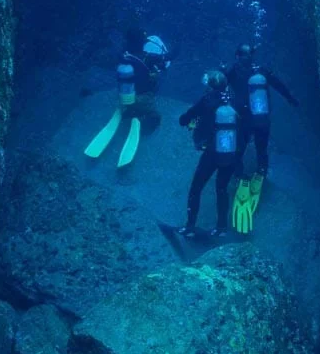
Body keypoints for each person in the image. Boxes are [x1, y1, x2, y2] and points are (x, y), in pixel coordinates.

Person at [227, 44, 298, 233]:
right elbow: (279, 85)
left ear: (237, 56)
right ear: (252, 56)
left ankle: (240, 176)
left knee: (238, 150)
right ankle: (261, 171)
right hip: (262, 119)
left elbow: (218, 86)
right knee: (261, 149)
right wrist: (290, 99)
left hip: (243, 119)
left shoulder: (233, 71)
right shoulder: (262, 71)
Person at [84, 26, 171, 167]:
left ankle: (125, 108)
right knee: (156, 117)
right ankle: (138, 118)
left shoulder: (122, 53)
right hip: (143, 97)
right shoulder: (148, 57)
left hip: (123, 94)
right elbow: (168, 58)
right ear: (141, 41)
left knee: (129, 94)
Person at [177, 70, 239, 238]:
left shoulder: (207, 100)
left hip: (212, 153)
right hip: (231, 152)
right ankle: (221, 228)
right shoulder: (234, 99)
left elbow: (187, 117)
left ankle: (190, 226)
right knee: (221, 189)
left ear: (211, 86)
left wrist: (184, 120)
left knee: (196, 188)